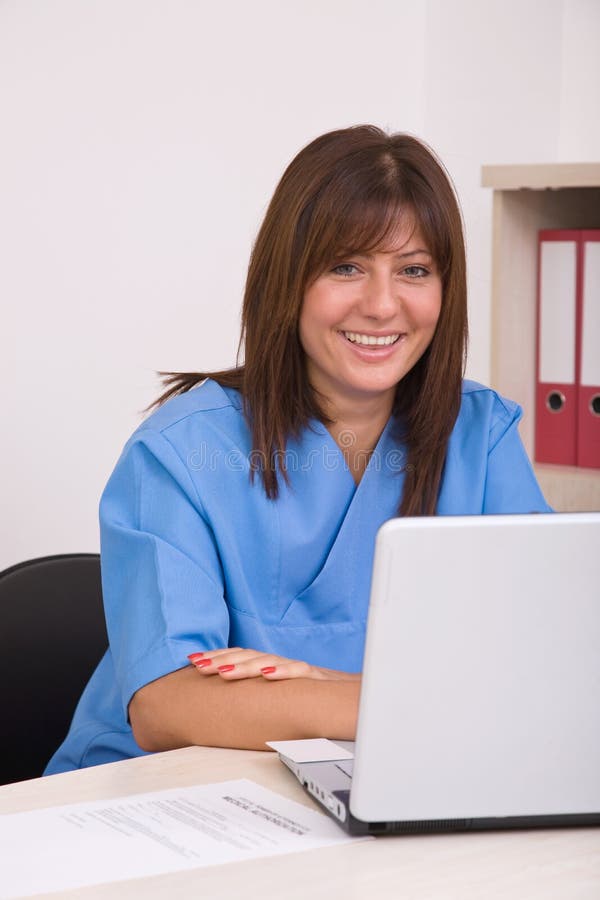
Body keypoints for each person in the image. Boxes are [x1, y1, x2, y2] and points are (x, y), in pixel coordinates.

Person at [45, 125, 551, 774]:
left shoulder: (479, 435)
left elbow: (540, 665)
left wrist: (313, 683)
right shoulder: (181, 452)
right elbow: (166, 704)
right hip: (153, 801)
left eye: (414, 270)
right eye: (346, 267)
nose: (381, 304)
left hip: (369, 779)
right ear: (288, 280)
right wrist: (395, 701)